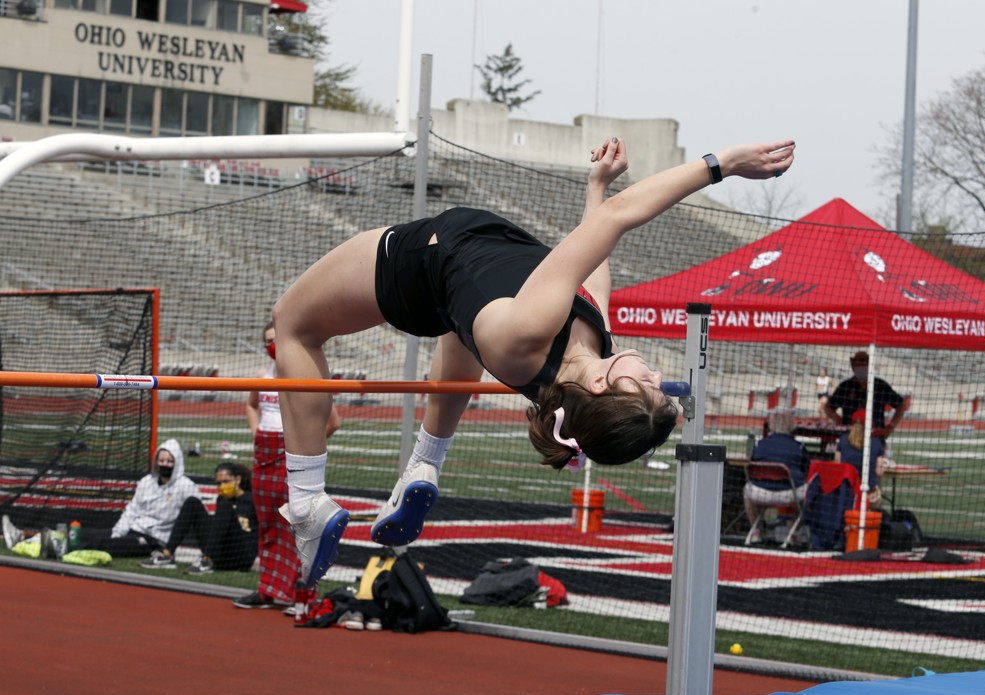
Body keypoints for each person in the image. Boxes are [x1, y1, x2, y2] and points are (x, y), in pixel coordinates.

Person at [271, 135, 796, 587]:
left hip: (421, 262)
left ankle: (307, 503)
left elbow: (618, 221)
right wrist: (596, 190)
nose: (656, 373)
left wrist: (720, 164)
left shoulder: (533, 331)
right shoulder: (593, 347)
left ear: (602, 390)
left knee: (293, 322)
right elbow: (595, 253)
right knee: (468, 327)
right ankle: (425, 462)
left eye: (647, 385)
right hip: (459, 295)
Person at [234, 319, 341, 609]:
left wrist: (302, 446)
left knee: (297, 524)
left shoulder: (307, 374)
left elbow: (333, 421)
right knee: (267, 523)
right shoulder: (262, 374)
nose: (272, 345)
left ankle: (302, 593)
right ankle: (268, 589)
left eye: (277, 339)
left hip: (291, 457)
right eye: (267, 340)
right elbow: (251, 405)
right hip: (264, 456)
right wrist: (257, 433)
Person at [3, 438, 199, 556]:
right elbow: (132, 509)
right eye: (161, 459)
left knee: (103, 545)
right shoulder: (147, 481)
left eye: (169, 461)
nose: (165, 464)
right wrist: (119, 530)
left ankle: (58, 548)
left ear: (177, 463)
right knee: (82, 533)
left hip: (153, 540)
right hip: (131, 530)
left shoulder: (185, 487)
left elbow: (196, 513)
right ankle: (25, 536)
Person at [141, 461, 258, 574]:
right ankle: (167, 554)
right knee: (192, 502)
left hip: (242, 557)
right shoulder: (221, 499)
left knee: (225, 505)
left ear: (237, 479)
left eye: (226, 481)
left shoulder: (254, 500)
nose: (222, 486)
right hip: (222, 555)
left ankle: (207, 560)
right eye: (219, 483)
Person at [743, 410, 811, 543]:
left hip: (759, 493)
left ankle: (756, 530)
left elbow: (752, 462)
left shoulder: (760, 445)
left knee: (747, 489)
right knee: (809, 490)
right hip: (788, 494)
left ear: (771, 426)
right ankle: (794, 530)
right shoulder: (799, 447)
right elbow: (805, 471)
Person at [823, 351, 907, 434]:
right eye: (858, 364)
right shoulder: (845, 386)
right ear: (853, 367)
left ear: (869, 366)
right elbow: (828, 408)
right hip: (850, 436)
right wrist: (838, 419)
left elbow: (901, 404)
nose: (860, 367)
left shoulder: (880, 386)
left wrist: (891, 426)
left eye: (863, 364)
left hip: (875, 436)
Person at [836, 409, 886, 508]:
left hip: (847, 492)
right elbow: (879, 471)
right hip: (869, 493)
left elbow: (838, 466)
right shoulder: (876, 443)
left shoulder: (842, 440)